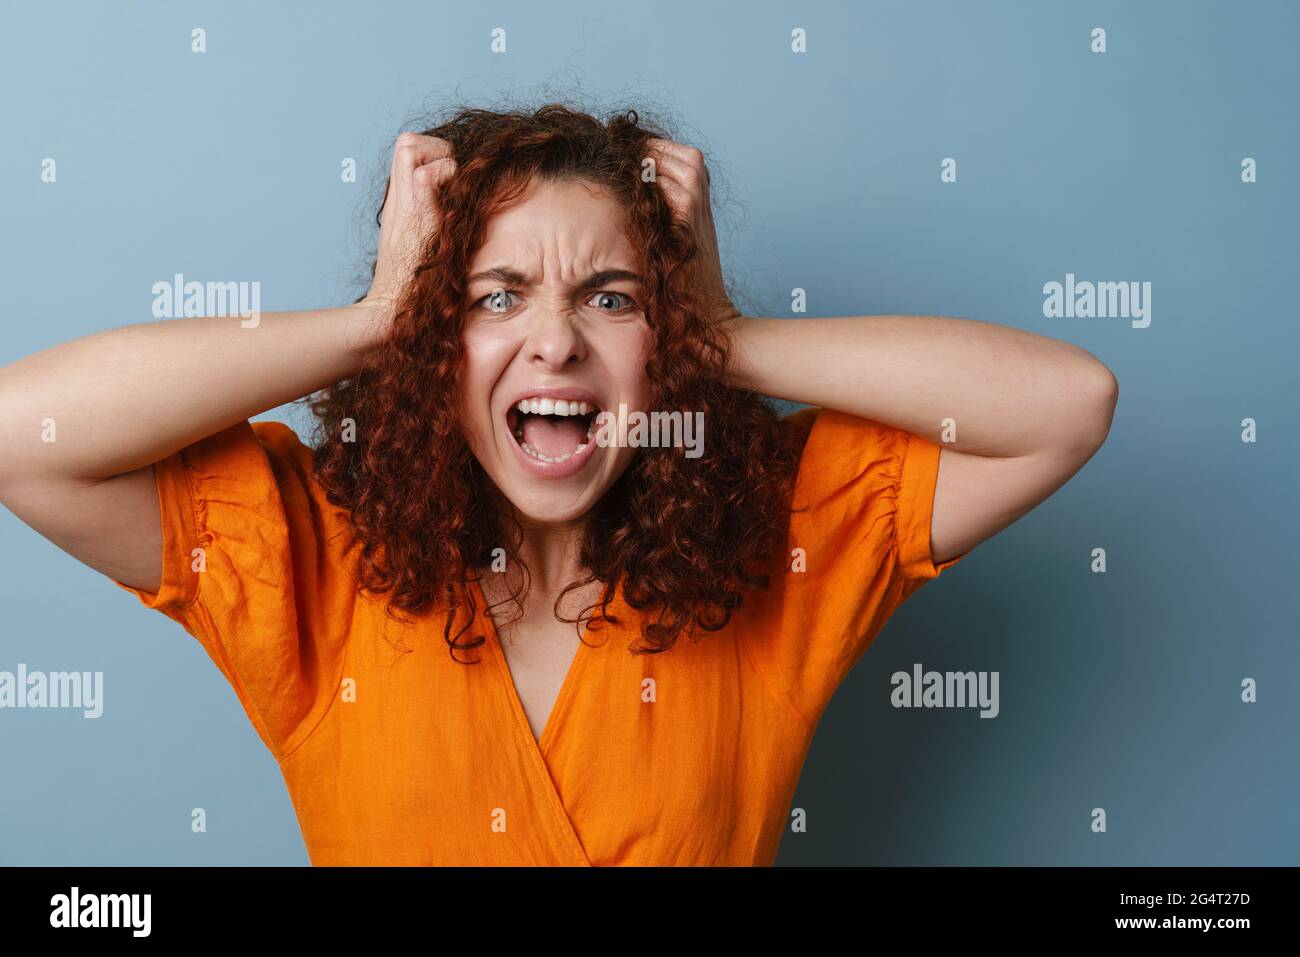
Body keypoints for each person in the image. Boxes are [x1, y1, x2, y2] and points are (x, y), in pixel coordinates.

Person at [0, 104, 1117, 865]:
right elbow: (24, 433)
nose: (554, 344)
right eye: (493, 298)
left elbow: (1064, 407)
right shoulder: (314, 560)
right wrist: (376, 326)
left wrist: (724, 336)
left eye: (614, 298)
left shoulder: (783, 545)